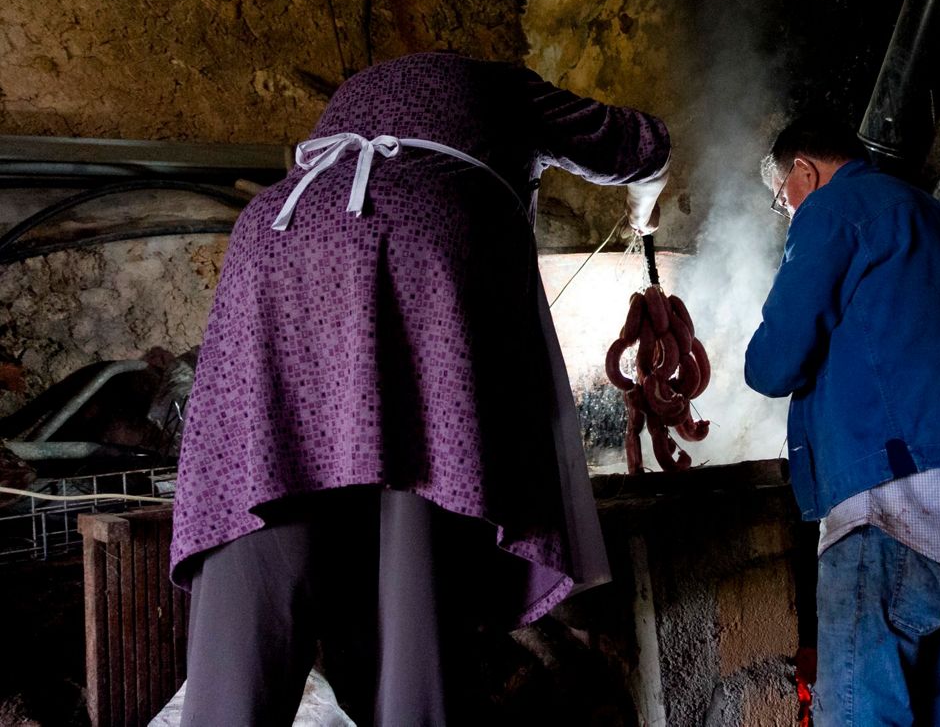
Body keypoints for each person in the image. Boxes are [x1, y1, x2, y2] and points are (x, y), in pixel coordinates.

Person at [169, 51, 670, 726]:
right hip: (420, 238)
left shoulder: (356, 95)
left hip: (272, 242)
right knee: (416, 511)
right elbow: (636, 145)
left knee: (268, 479)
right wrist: (648, 206)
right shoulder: (503, 85)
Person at [744, 115, 940, 725]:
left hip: (896, 509)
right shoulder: (939, 218)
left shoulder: (834, 209)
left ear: (804, 171)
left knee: (858, 712)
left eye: (782, 199)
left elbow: (773, 364)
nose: (789, 209)